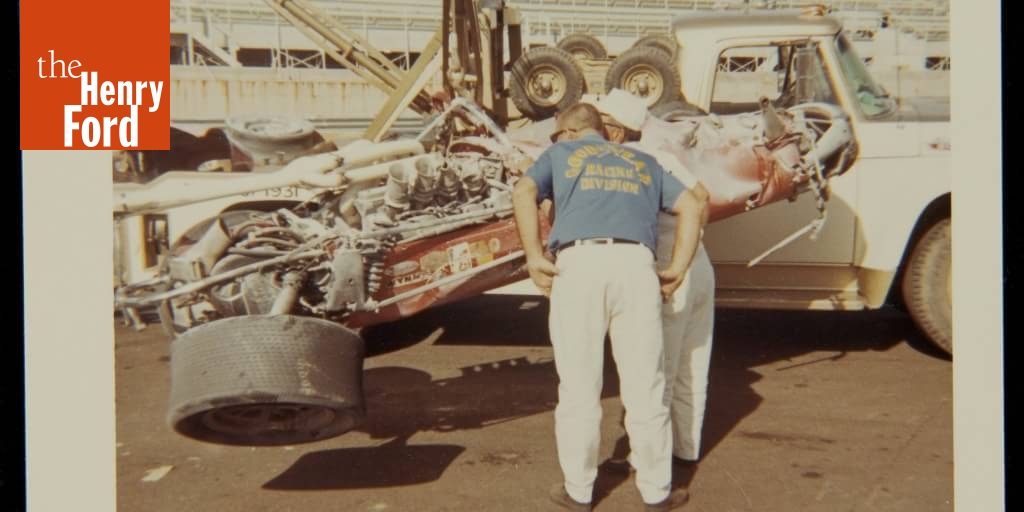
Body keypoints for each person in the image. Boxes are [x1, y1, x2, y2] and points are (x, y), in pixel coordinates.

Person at [512, 101, 704, 511]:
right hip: (636, 265)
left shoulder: (561, 154)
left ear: (567, 132)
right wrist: (678, 268)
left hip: (579, 265)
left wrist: (533, 256)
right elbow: (692, 204)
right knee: (646, 385)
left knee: (579, 386)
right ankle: (656, 491)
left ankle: (579, 491)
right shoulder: (643, 161)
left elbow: (524, 190)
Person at [591, 89, 716, 466]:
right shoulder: (663, 157)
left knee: (655, 372)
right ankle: (685, 449)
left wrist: (672, 257)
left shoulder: (628, 163)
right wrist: (690, 245)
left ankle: (644, 459)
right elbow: (702, 197)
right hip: (699, 266)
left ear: (615, 131)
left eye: (598, 122)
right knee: (691, 368)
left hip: (667, 273)